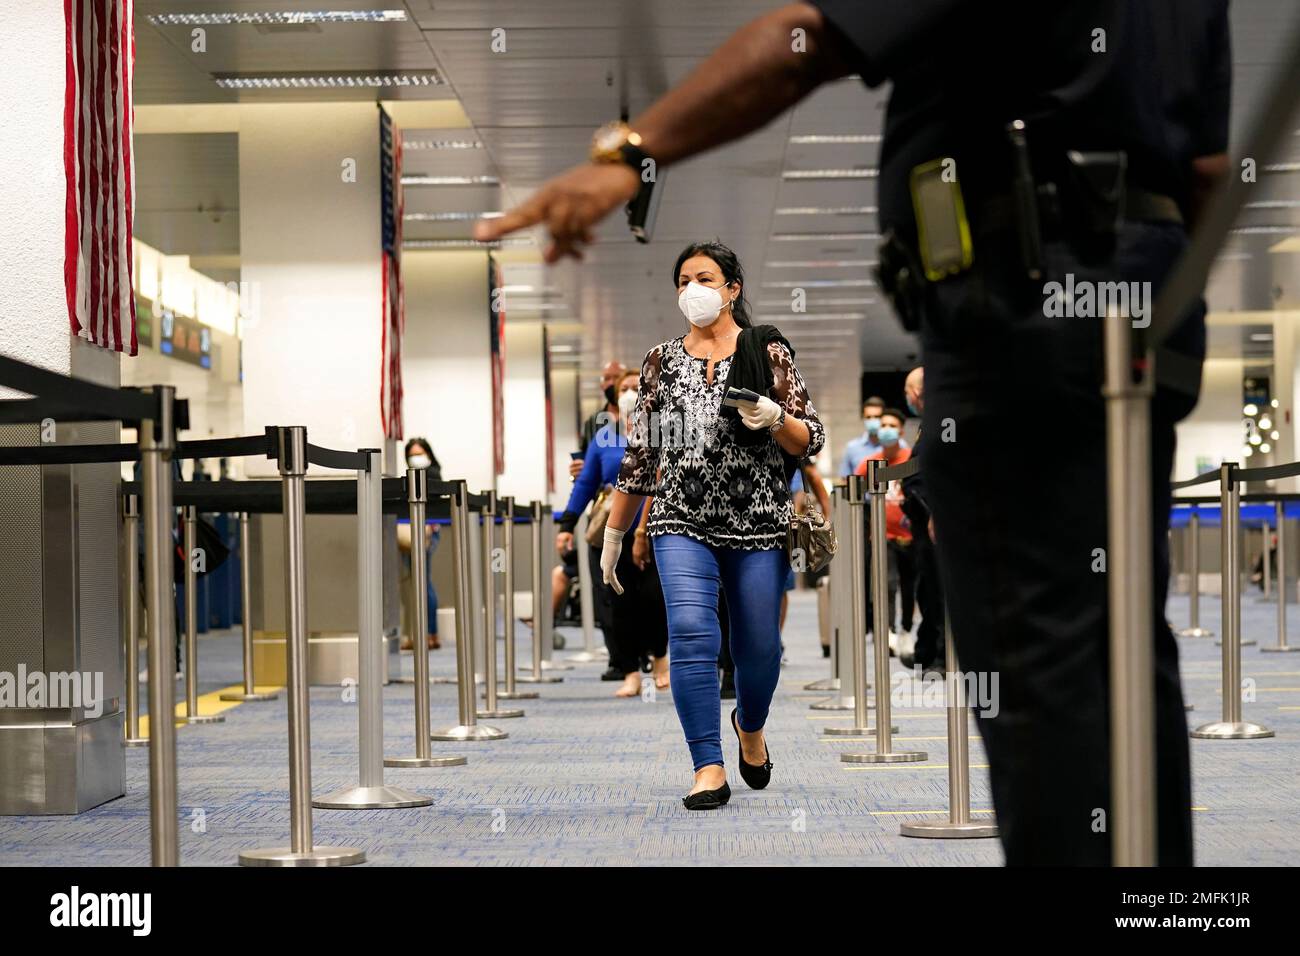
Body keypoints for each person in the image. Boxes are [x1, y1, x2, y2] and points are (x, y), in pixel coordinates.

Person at [474, 1, 1228, 864]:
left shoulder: (769, 349)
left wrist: (631, 154)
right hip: (1139, 308)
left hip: (1020, 301)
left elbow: (806, 38)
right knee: (1121, 632)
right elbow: (1206, 167)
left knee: (1038, 655)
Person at [600, 240, 825, 809]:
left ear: (732, 289)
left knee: (759, 648)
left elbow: (811, 438)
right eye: (682, 280)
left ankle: (750, 726)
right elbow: (642, 456)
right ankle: (707, 765)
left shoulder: (765, 348)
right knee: (694, 637)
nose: (691, 290)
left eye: (704, 278)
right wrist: (616, 533)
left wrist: (778, 419)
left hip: (758, 521)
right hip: (681, 519)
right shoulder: (659, 360)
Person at [557, 369, 669, 697]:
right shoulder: (604, 438)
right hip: (611, 534)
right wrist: (567, 524)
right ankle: (631, 671)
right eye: (625, 388)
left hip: (653, 531)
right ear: (615, 396)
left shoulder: (661, 432)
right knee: (619, 603)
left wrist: (643, 533)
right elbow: (586, 483)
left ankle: (661, 661)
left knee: (654, 600)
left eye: (637, 387)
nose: (631, 393)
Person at [570, 359, 628, 678]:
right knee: (606, 587)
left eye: (614, 378)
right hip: (604, 510)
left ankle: (649, 654)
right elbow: (585, 468)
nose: (609, 383)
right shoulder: (596, 424)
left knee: (644, 591)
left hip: (646, 515)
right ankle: (619, 659)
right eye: (606, 378)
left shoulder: (657, 423)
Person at [855, 407, 913, 649]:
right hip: (883, 534)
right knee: (886, 584)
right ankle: (887, 630)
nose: (887, 429)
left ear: (900, 430)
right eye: (883, 425)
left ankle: (907, 628)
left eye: (892, 426)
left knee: (911, 584)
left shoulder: (912, 458)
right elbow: (852, 490)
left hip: (911, 533)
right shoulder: (869, 462)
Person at [899, 368, 944, 673]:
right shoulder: (929, 423)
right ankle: (927, 649)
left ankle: (941, 655)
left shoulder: (942, 421)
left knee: (939, 590)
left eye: (907, 390)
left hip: (934, 522)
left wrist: (936, 513)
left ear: (916, 393)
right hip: (922, 520)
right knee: (927, 589)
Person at [398, 437, 441, 650]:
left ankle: (427, 634)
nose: (416, 458)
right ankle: (428, 634)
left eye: (419, 454)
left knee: (422, 584)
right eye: (412, 455)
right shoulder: (415, 475)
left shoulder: (431, 475)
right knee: (422, 584)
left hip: (425, 531)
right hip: (414, 530)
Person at [841, 396, 908, 477]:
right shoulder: (856, 451)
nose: (872, 421)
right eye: (868, 417)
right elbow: (847, 481)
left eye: (877, 417)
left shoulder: (903, 448)